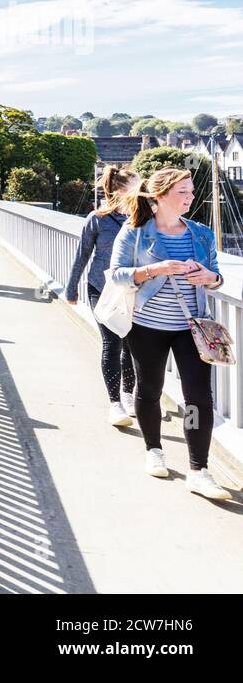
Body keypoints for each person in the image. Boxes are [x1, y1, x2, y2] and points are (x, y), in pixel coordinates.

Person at [109, 167, 229, 500]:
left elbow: (217, 277)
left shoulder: (201, 234)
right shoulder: (135, 233)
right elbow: (117, 275)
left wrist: (210, 277)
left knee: (198, 398)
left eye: (191, 192)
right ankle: (154, 449)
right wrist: (154, 269)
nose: (191, 198)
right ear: (160, 197)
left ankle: (198, 470)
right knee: (149, 389)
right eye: (183, 192)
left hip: (192, 328)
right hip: (147, 326)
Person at [66, 166, 140, 427]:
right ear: (122, 190)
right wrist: (71, 287)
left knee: (131, 345)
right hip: (101, 288)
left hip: (133, 290)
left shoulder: (142, 218)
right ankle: (115, 404)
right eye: (137, 184)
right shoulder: (97, 218)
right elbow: (82, 254)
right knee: (112, 343)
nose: (142, 189)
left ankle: (128, 395)